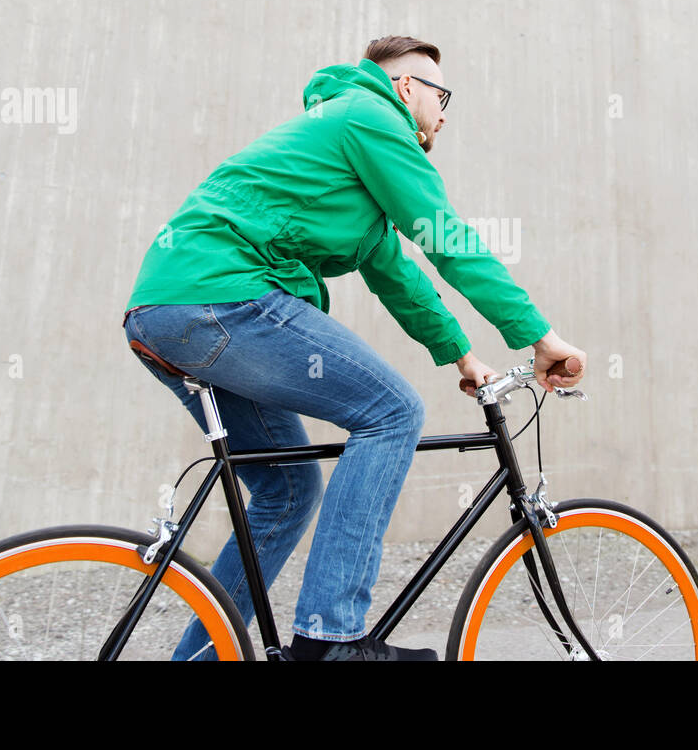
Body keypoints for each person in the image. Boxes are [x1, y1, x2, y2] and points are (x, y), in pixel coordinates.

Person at [121, 35, 586, 661]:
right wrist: (541, 337)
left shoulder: (347, 154)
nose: (445, 113)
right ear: (404, 88)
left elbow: (397, 272)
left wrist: (462, 355)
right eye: (440, 95)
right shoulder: (369, 117)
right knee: (392, 412)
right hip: (221, 298)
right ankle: (330, 638)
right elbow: (445, 234)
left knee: (288, 492)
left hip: (170, 310)